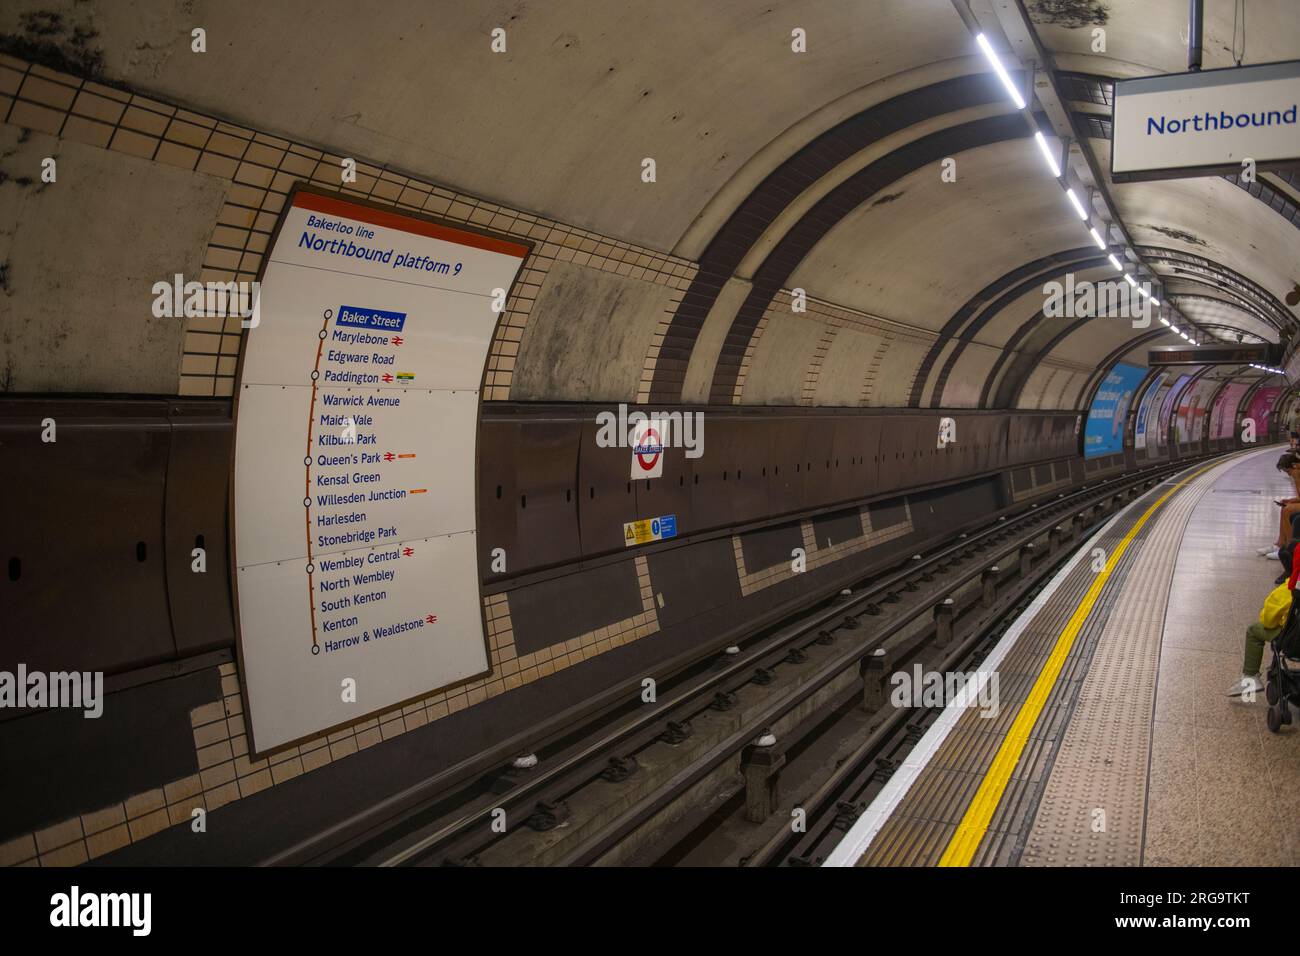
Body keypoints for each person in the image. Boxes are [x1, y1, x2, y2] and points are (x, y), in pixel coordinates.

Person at [1228, 569, 1296, 696]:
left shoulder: (1289, 589)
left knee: (1254, 631)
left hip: (1294, 640)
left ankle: (1250, 678)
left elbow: (1268, 621)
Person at [1257, 452, 1300, 560]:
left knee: (1288, 509)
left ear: (1295, 465)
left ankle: (1291, 549)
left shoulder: (1296, 473)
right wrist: (1290, 500)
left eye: (1288, 471)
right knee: (1285, 508)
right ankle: (1280, 544)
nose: (1288, 474)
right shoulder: (1296, 472)